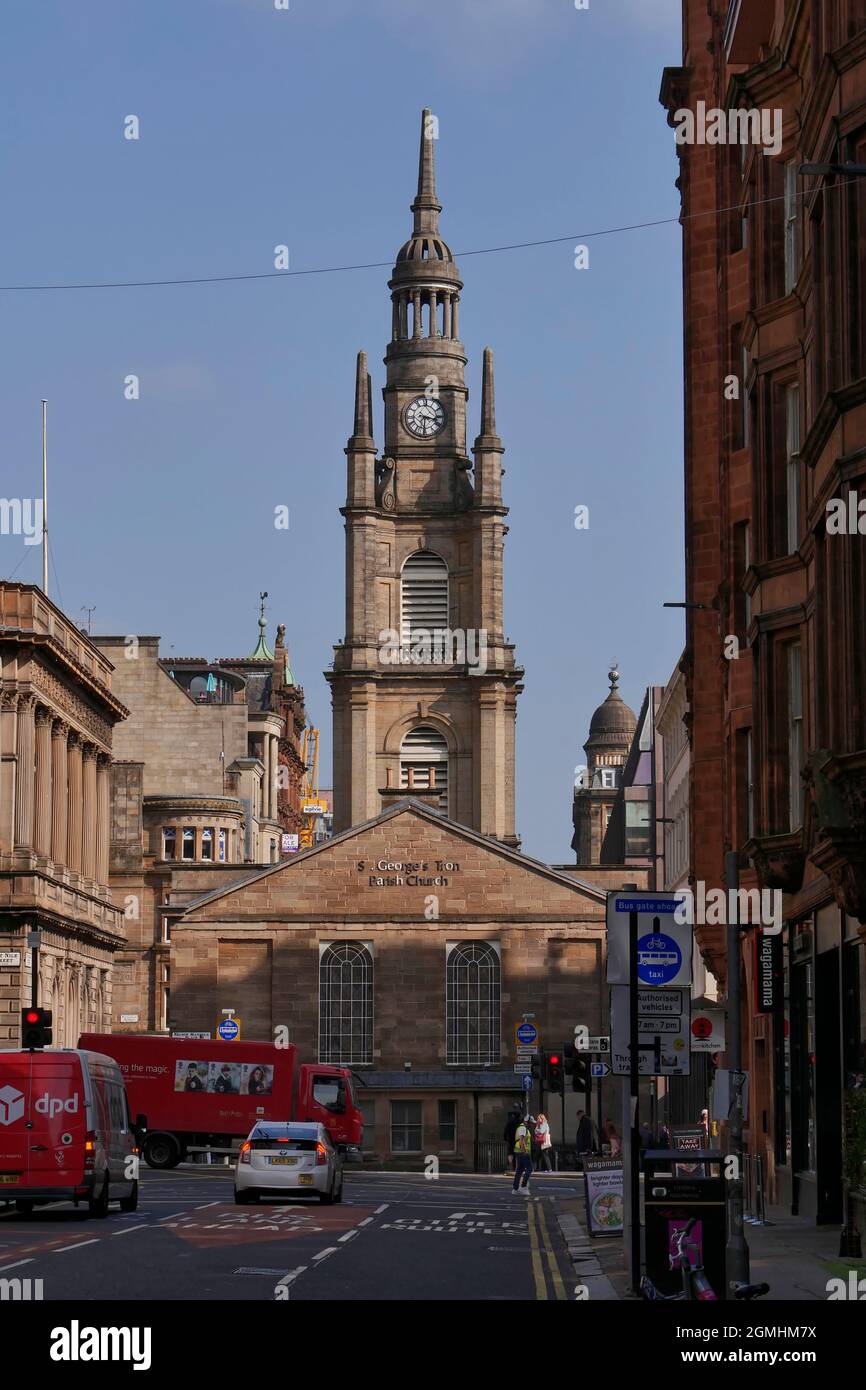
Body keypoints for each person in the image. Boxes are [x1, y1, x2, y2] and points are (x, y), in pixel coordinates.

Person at [512, 1114, 534, 1195]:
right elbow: (521, 1140)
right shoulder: (523, 1128)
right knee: (529, 1169)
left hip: (519, 1151)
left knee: (520, 1169)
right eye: (531, 1123)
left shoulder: (524, 1128)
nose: (532, 1125)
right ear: (526, 1122)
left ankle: (515, 1188)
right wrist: (525, 1151)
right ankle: (523, 1186)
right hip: (522, 1152)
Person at [503, 1107, 521, 1172]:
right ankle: (516, 1168)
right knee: (517, 1154)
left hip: (510, 1140)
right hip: (518, 1140)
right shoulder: (520, 1122)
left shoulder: (510, 1122)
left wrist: (505, 1138)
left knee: (510, 1153)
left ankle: (510, 1166)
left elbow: (505, 1130)